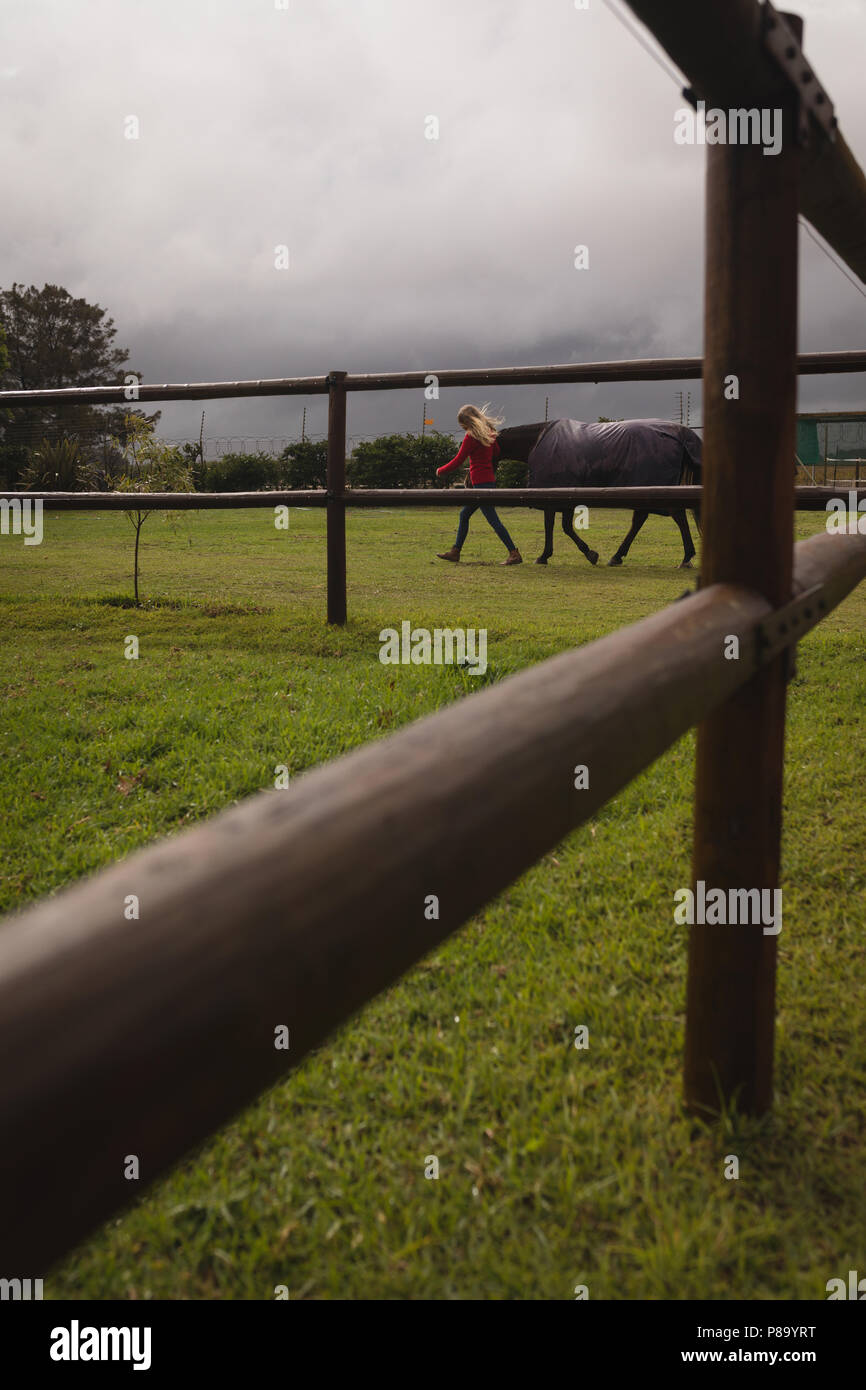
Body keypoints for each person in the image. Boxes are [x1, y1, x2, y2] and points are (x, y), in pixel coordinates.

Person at [435, 404, 522, 565]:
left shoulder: (471, 437)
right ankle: (455, 551)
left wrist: (441, 470)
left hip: (481, 485)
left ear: (466, 422)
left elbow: (458, 460)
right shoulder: (488, 433)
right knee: (465, 514)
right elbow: (496, 452)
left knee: (493, 520)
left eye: (463, 425)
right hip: (486, 483)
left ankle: (514, 553)